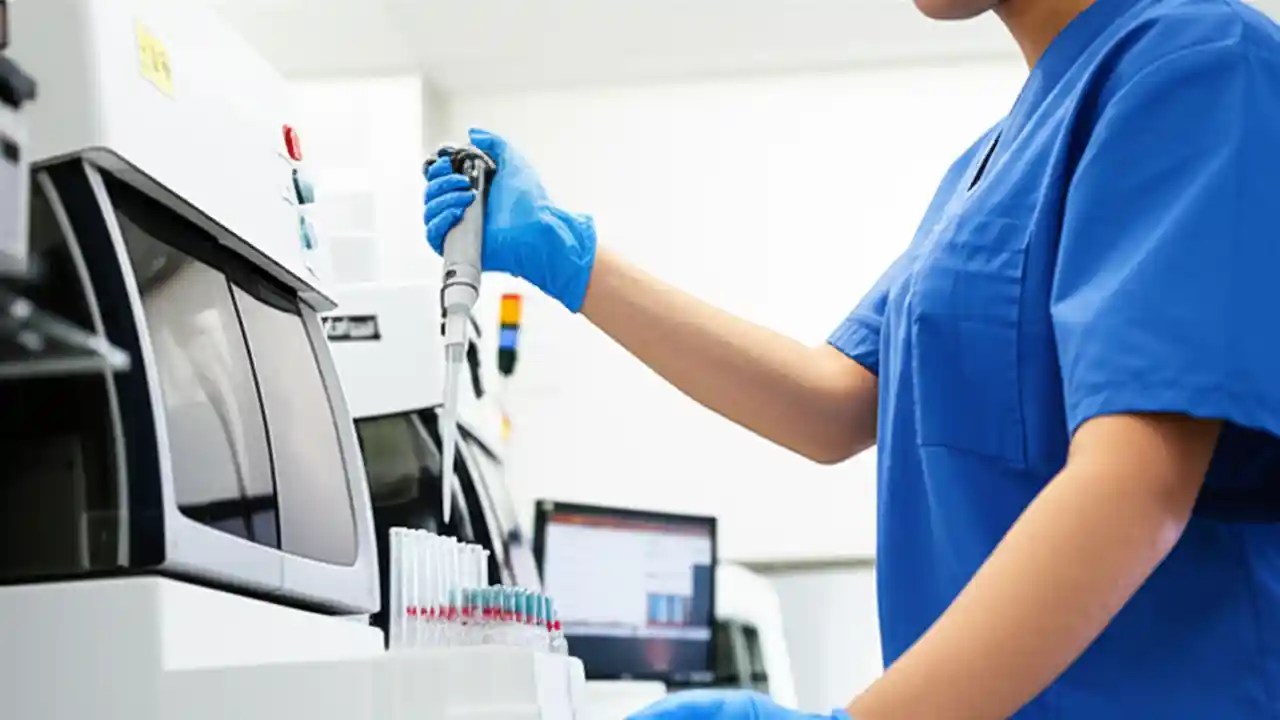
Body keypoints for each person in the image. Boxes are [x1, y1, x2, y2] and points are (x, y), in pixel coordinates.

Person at [423, 0, 1280, 716]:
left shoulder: (1198, 65)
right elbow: (829, 403)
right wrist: (575, 261)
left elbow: (1138, 485)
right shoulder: (982, 167)